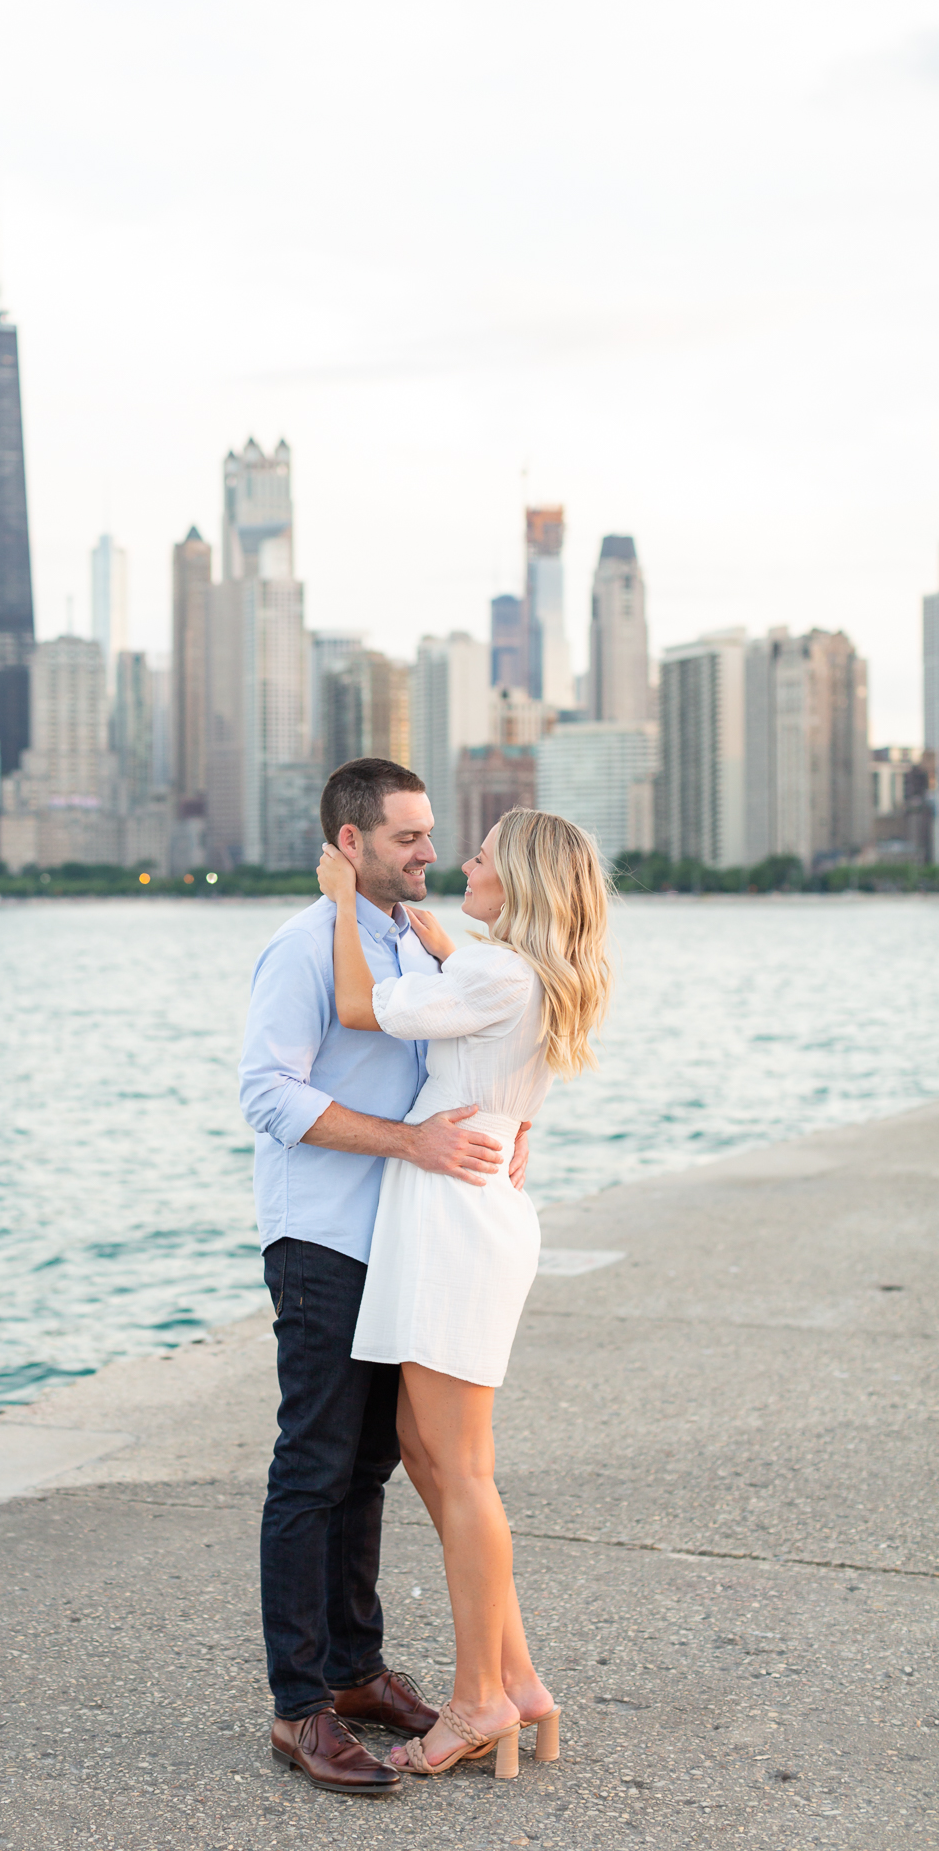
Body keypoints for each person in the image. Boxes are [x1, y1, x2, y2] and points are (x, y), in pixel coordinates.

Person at [239, 759, 531, 1798]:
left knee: (366, 1467)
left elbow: (479, 1044)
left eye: (430, 832)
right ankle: (298, 1705)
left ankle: (357, 1672)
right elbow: (267, 1093)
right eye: (405, 837)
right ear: (349, 843)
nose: (427, 852)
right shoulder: (303, 945)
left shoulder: (414, 941)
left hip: (409, 1244)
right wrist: (405, 1145)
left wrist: (508, 1123)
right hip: (323, 1237)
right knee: (313, 1469)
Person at [314, 806, 611, 1782]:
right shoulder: (513, 971)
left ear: (515, 877)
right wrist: (433, 937)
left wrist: (336, 905)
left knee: (460, 1465)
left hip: (451, 1221)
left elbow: (369, 1010)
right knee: (425, 1449)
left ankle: (481, 1697)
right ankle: (516, 1680)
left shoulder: (495, 973)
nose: (464, 862)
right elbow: (454, 980)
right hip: (459, 1210)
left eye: (481, 852)